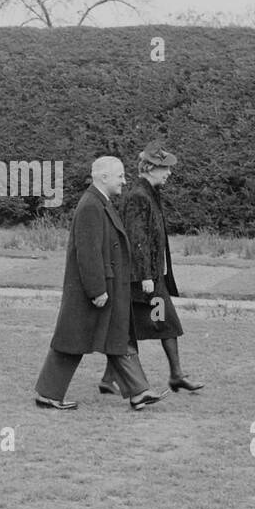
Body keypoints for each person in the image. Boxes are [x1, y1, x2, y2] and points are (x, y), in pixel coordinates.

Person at [34, 156, 164, 411]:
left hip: (107, 287)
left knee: (117, 337)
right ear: (104, 177)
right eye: (120, 176)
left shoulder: (99, 202)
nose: (125, 181)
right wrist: (97, 291)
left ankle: (139, 392)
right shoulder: (91, 206)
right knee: (72, 341)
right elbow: (88, 252)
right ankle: (47, 394)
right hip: (94, 290)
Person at [99, 143, 204, 394]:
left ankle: (109, 379)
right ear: (150, 168)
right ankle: (175, 375)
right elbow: (137, 240)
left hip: (148, 276)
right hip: (143, 279)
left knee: (131, 328)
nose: (169, 172)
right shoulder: (138, 195)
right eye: (164, 168)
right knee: (162, 322)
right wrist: (146, 276)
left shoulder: (150, 192)